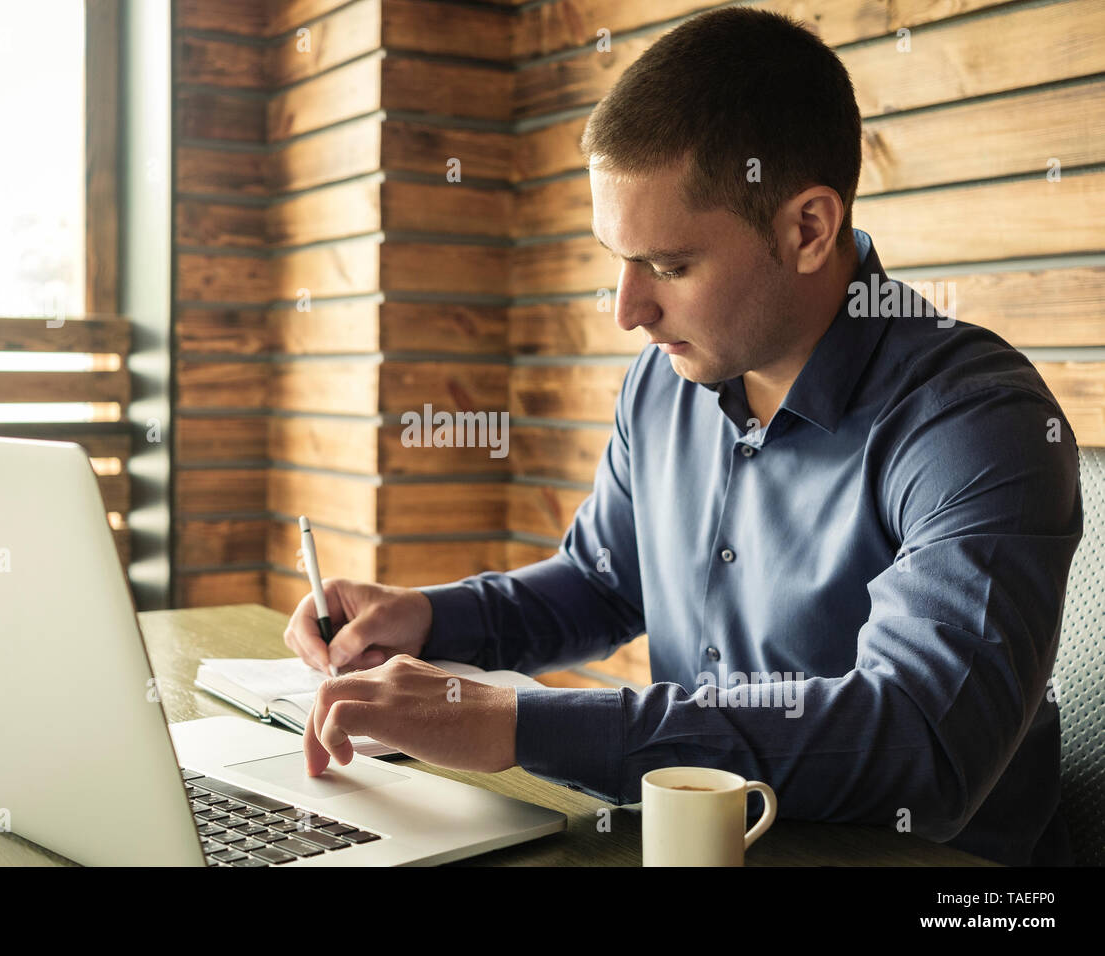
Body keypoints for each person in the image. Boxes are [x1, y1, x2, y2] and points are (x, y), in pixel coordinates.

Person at [282, 7, 1082, 866]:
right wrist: (432, 620)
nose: (628, 311)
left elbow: (917, 739)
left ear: (808, 229)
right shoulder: (668, 381)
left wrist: (516, 725)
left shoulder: (976, 420)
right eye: (615, 259)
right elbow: (602, 582)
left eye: (668, 266)